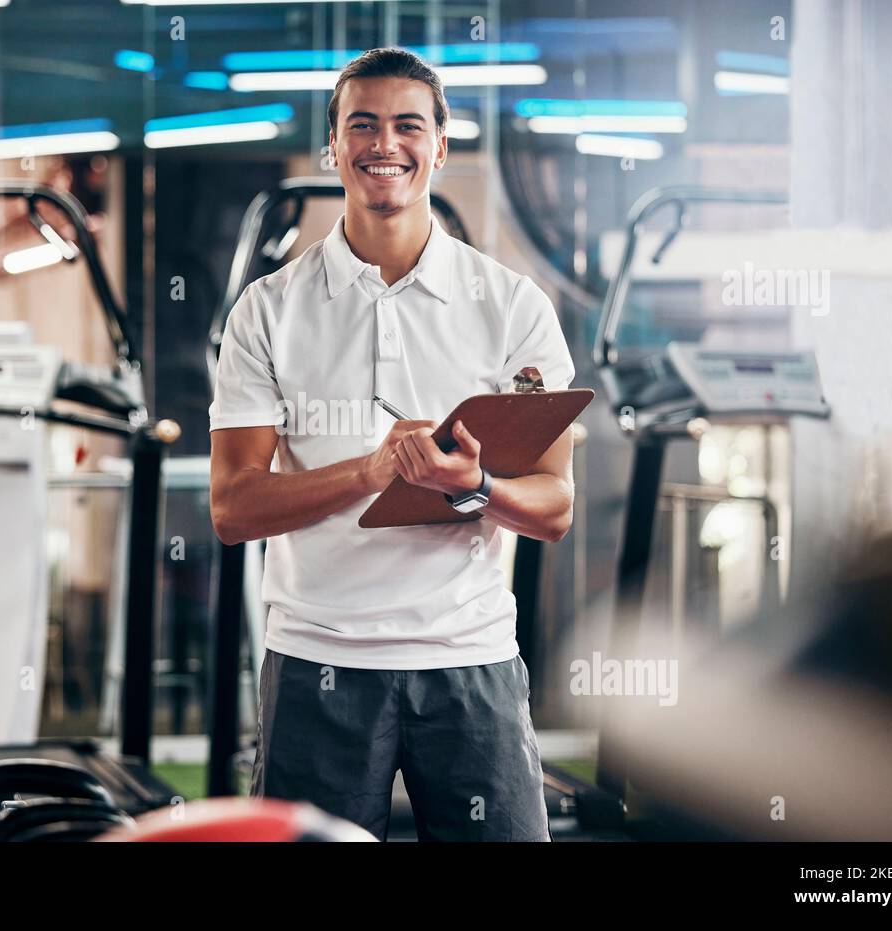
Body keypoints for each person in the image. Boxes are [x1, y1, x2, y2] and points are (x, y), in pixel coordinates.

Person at [208, 48, 576, 841]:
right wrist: (372, 469)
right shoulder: (267, 312)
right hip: (316, 662)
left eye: (410, 125)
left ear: (440, 146)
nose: (386, 143)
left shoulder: (513, 307)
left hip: (469, 657)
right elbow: (233, 508)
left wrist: (476, 486)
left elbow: (554, 506)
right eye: (362, 125)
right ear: (332, 147)